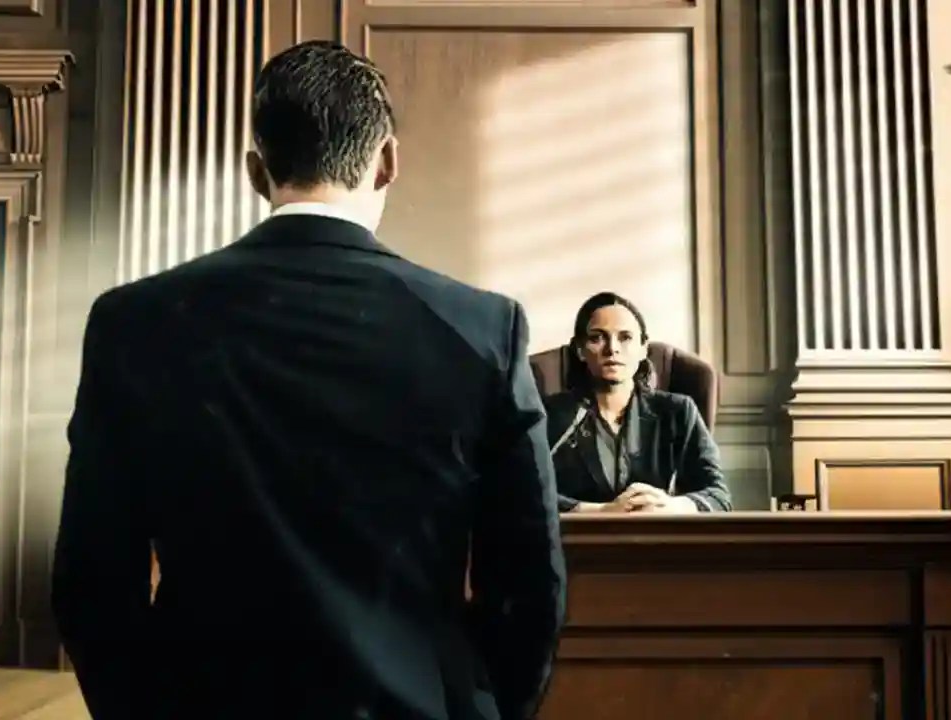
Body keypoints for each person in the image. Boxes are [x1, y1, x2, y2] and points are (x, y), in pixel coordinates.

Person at [51, 41, 565, 720]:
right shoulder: (484, 330)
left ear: (256, 171)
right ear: (388, 162)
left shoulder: (133, 323)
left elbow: (92, 582)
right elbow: (529, 584)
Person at [545, 292, 732, 514]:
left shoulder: (678, 411)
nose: (612, 348)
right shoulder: (549, 415)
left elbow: (719, 497)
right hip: (577, 543)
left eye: (625, 337)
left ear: (644, 348)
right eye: (597, 338)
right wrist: (601, 511)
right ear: (580, 351)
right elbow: (521, 493)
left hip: (657, 541)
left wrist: (671, 505)